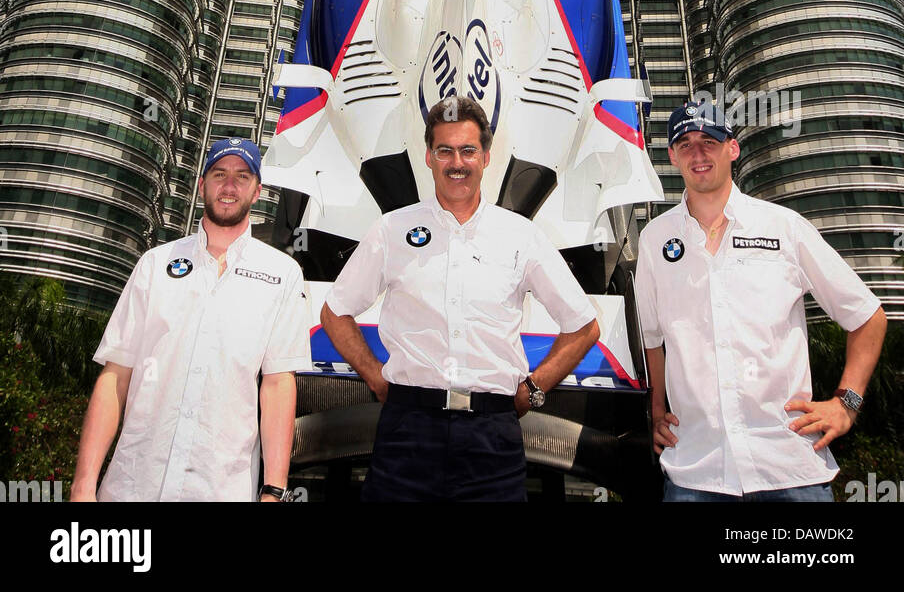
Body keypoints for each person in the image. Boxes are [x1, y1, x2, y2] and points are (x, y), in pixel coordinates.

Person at [320, 95, 601, 502]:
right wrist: (375, 375)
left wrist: (534, 389)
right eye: (445, 150)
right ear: (429, 156)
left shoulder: (521, 235)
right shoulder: (392, 229)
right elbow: (335, 312)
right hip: (406, 433)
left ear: (486, 157)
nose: (457, 162)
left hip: (492, 439)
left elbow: (583, 326)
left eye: (468, 150)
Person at [635, 96, 887, 502]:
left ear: (732, 148)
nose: (698, 154)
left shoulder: (784, 227)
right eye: (686, 144)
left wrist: (847, 403)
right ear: (673, 156)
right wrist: (655, 412)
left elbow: (867, 317)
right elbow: (652, 339)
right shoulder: (654, 240)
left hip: (788, 466)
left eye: (710, 141)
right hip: (696, 472)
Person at [70, 137, 311, 502]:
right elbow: (115, 376)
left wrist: (273, 492)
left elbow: (278, 386)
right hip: (131, 485)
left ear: (257, 190)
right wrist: (83, 485)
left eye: (242, 177)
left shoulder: (283, 274)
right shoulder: (154, 264)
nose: (229, 186)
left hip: (221, 490)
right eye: (219, 174)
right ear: (202, 185)